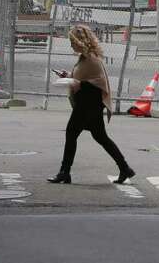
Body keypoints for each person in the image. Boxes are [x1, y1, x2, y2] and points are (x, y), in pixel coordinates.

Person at [48, 24, 135, 184]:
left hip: (88, 103)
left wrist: (78, 84)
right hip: (90, 104)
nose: (71, 45)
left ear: (80, 41)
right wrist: (68, 75)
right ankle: (125, 168)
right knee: (100, 137)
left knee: (71, 133)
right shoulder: (85, 57)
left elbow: (98, 83)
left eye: (72, 41)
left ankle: (64, 172)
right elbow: (85, 78)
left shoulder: (91, 59)